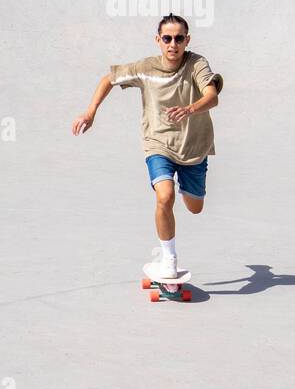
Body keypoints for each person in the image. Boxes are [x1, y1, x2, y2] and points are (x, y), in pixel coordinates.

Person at [72, 14, 223, 287]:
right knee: (164, 197)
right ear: (158, 40)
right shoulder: (145, 68)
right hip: (158, 144)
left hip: (193, 148)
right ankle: (169, 259)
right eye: (167, 38)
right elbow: (109, 79)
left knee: (195, 207)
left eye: (179, 38)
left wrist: (189, 109)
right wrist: (91, 111)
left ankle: (186, 187)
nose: (173, 44)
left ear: (187, 40)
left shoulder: (196, 64)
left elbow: (212, 97)